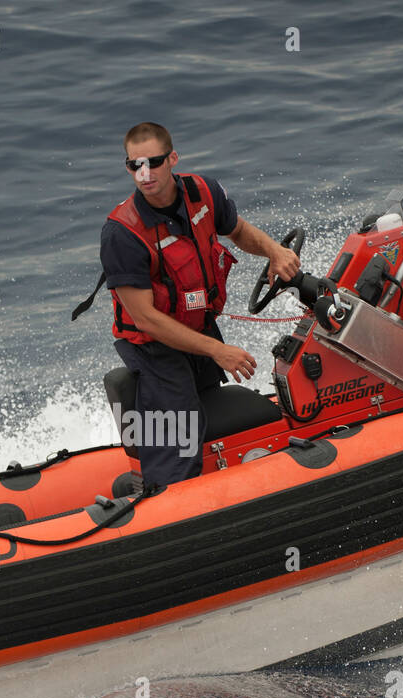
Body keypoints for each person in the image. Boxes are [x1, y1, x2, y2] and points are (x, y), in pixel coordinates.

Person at [85, 122, 300, 486]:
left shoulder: (203, 192)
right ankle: (168, 497)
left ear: (172, 159)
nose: (145, 173)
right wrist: (218, 351)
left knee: (208, 418)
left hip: (198, 328)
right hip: (154, 347)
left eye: (153, 162)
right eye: (134, 165)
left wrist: (274, 250)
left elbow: (237, 230)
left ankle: (219, 483)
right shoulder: (122, 233)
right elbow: (146, 320)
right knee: (180, 444)